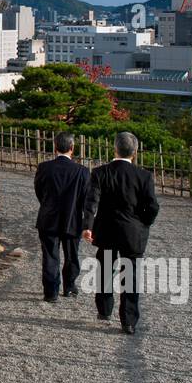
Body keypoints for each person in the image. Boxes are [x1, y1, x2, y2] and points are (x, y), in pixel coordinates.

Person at [81, 131, 160, 334]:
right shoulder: (144, 176)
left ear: (115, 148)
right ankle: (128, 320)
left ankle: (105, 309)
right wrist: (144, 223)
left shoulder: (100, 172)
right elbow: (152, 206)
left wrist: (87, 225)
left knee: (105, 268)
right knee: (131, 275)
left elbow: (91, 202)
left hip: (106, 228)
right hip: (133, 230)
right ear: (134, 152)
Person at [33, 131, 90, 302]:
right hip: (72, 219)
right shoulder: (82, 171)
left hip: (48, 217)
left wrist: (47, 204)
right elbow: (86, 198)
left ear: (55, 147)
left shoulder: (44, 168)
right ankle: (70, 286)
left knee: (50, 256)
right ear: (72, 148)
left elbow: (39, 191)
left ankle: (51, 292)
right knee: (72, 255)